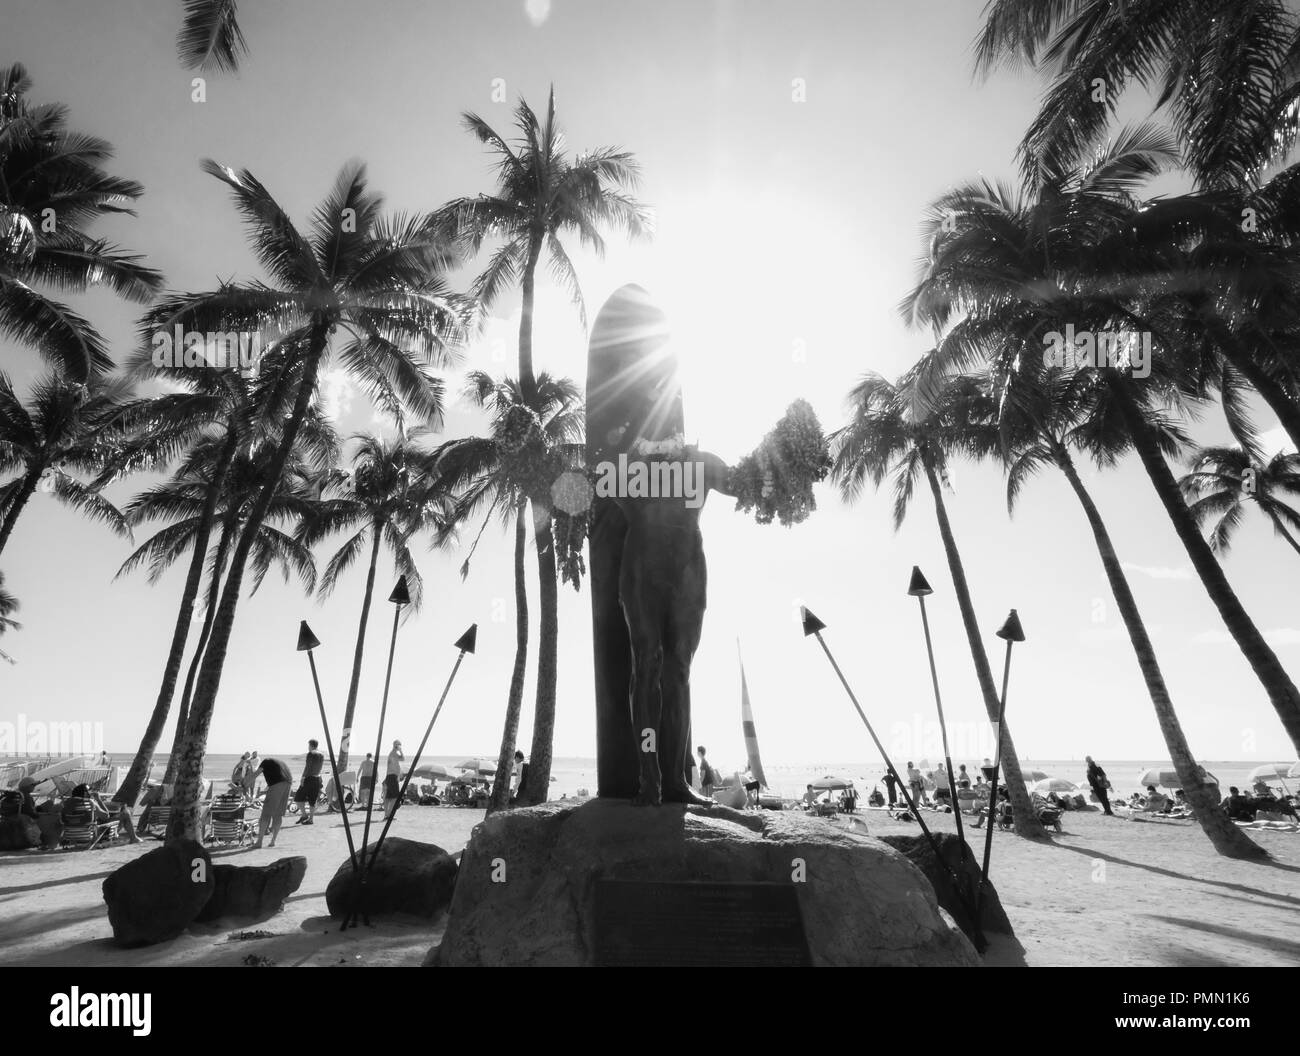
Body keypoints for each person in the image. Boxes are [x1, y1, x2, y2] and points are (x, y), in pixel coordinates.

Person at [67, 783, 140, 844]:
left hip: (73, 836)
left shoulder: (67, 804)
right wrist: (99, 800)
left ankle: (123, 835)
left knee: (121, 813)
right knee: (125, 813)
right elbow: (106, 816)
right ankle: (133, 838)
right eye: (90, 790)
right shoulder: (91, 803)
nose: (91, 791)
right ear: (85, 793)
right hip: (92, 836)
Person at [254, 756, 293, 848]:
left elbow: (254, 775)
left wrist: (244, 785)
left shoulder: (265, 762)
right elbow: (280, 778)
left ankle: (259, 842)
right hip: (288, 784)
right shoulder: (279, 764)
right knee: (278, 814)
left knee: (266, 814)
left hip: (278, 785)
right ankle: (273, 841)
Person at [293, 739, 324, 824]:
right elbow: (319, 767)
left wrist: (303, 778)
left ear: (310, 745)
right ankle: (311, 819)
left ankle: (304, 815)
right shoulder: (322, 754)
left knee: (298, 798)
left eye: (308, 745)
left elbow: (308, 767)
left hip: (309, 778)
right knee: (312, 800)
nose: (308, 747)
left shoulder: (310, 754)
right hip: (317, 779)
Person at [383, 740, 404, 820]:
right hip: (392, 777)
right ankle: (388, 815)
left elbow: (401, 759)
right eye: (399, 745)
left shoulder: (392, 754)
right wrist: (401, 751)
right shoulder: (394, 754)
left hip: (389, 777)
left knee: (388, 797)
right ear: (396, 746)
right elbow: (402, 759)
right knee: (394, 797)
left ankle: (387, 815)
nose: (399, 747)